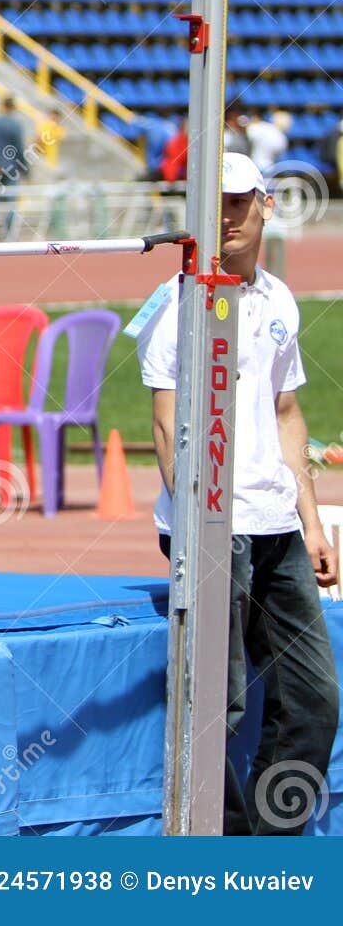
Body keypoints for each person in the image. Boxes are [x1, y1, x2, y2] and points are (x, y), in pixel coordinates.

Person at [136, 151, 337, 835]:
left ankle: (266, 850)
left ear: (266, 206)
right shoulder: (178, 303)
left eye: (238, 201)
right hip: (213, 526)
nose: (225, 215)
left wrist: (312, 522)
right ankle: (213, 854)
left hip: (277, 523)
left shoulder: (279, 298)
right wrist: (199, 523)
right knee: (211, 707)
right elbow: (167, 424)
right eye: (212, 202)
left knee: (314, 701)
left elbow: (287, 414)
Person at [244, 109, 290, 174]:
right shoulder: (283, 139)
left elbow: (247, 131)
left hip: (254, 166)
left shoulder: (263, 127)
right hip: (269, 169)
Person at [160, 116, 188, 183]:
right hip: (171, 177)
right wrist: (171, 178)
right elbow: (172, 162)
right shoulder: (178, 142)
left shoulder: (179, 141)